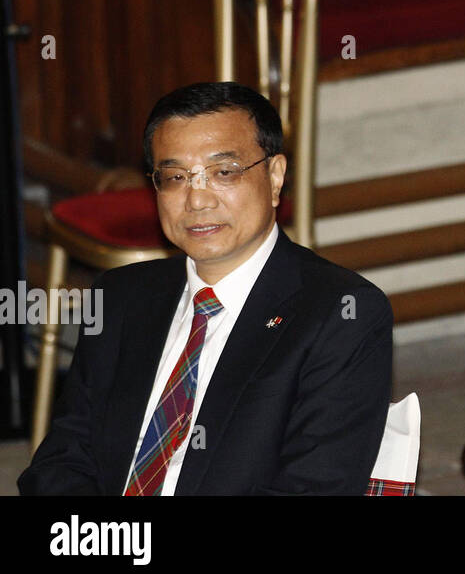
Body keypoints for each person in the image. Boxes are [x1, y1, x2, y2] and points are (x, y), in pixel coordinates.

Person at [19, 82, 393, 495]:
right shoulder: (122, 297)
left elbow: (316, 487)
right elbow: (64, 460)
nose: (197, 200)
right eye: (175, 176)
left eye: (223, 173)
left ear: (274, 176)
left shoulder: (339, 312)